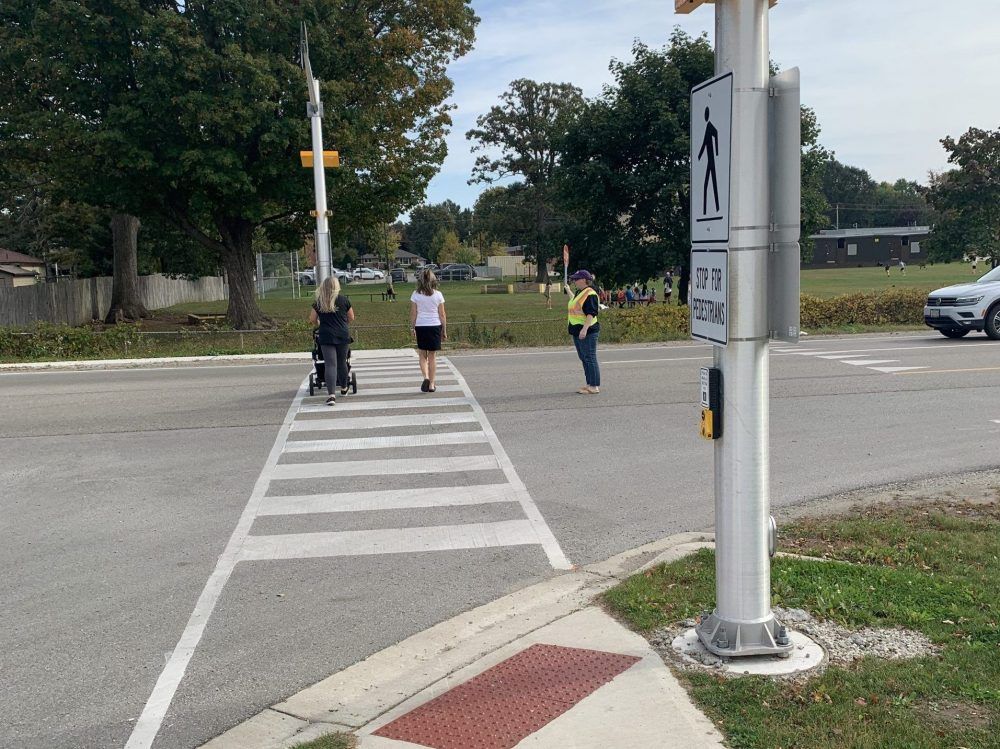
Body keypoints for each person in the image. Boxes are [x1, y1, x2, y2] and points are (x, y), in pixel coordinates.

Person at [308, 275, 355, 406]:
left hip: (326, 335)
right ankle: (344, 388)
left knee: (330, 364)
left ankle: (331, 395)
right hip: (342, 334)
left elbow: (312, 319)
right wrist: (342, 323)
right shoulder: (343, 300)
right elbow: (351, 317)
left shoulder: (319, 302)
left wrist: (319, 322)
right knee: (342, 362)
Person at [410, 269, 447, 393]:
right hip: (434, 326)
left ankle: (425, 377)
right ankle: (431, 384)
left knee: (422, 354)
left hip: (421, 326)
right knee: (432, 356)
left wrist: (412, 327)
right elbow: (442, 314)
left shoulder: (415, 294)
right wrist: (444, 330)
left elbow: (413, 313)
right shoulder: (438, 295)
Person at [567, 269, 600, 394]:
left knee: (590, 357)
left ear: (584, 280)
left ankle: (594, 386)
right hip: (577, 330)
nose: (574, 281)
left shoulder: (590, 293)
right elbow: (574, 303)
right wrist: (569, 290)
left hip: (587, 331)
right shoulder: (580, 292)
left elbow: (591, 313)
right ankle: (589, 383)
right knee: (584, 358)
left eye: (576, 279)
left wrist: (584, 329)